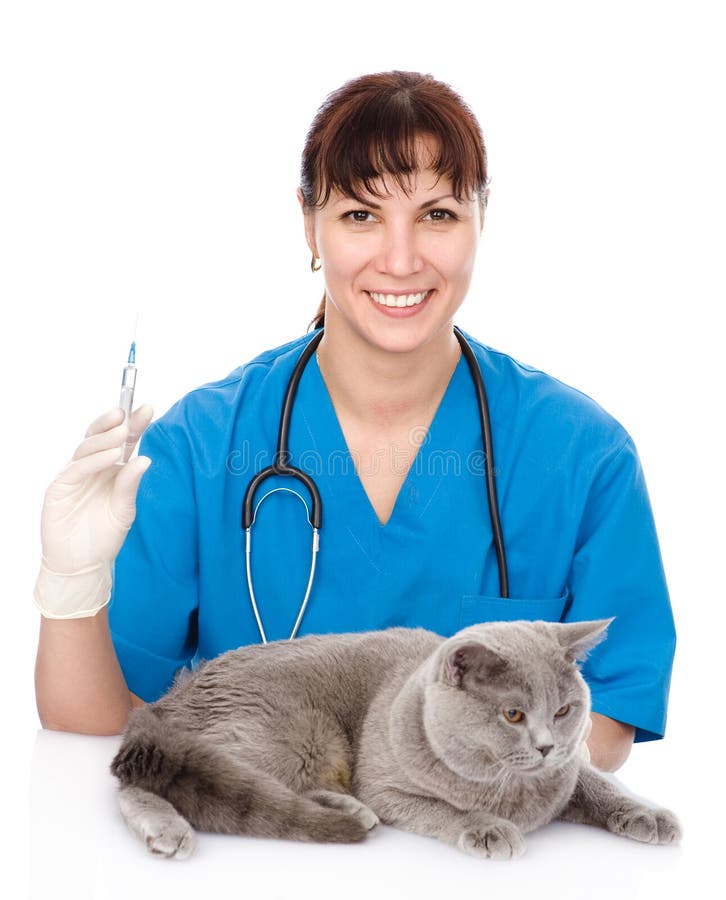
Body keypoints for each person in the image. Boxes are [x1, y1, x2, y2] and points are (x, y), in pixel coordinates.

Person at [34, 71, 675, 772]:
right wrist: (72, 583)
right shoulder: (200, 447)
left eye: (437, 215)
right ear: (309, 222)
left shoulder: (581, 456)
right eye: (360, 216)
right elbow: (94, 718)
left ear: (480, 220)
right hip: (259, 863)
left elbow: (607, 728)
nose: (400, 261)